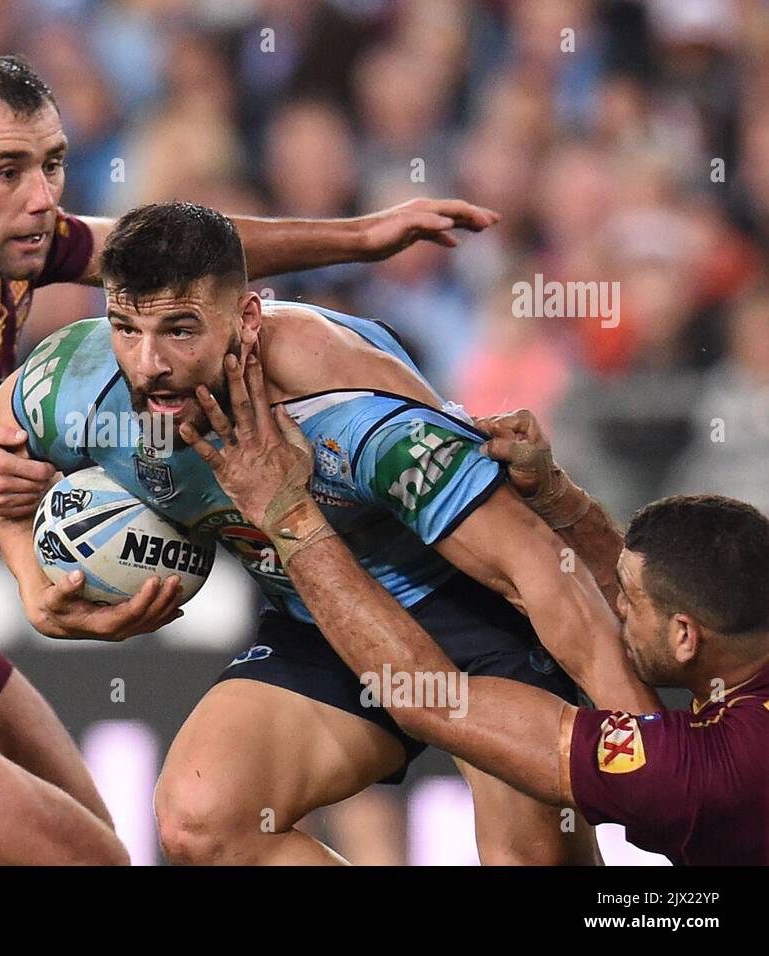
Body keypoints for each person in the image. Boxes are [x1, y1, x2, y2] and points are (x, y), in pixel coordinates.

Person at [0, 55, 498, 865]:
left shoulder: (2, 238)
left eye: (52, 164)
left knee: (98, 847)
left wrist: (361, 238)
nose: (42, 196)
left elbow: (180, 259)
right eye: (9, 170)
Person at [0, 201, 648, 865]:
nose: (148, 363)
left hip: (468, 612)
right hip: (320, 610)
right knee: (202, 820)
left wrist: (660, 762)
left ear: (245, 318)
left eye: (180, 330)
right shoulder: (77, 383)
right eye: (126, 327)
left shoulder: (346, 399)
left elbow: (536, 571)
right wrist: (30, 582)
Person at [181, 354, 769, 865]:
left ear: (687, 637)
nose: (609, 608)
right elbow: (666, 590)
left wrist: (291, 516)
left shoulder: (695, 773)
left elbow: (432, 703)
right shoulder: (734, 673)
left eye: (628, 605)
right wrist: (557, 495)